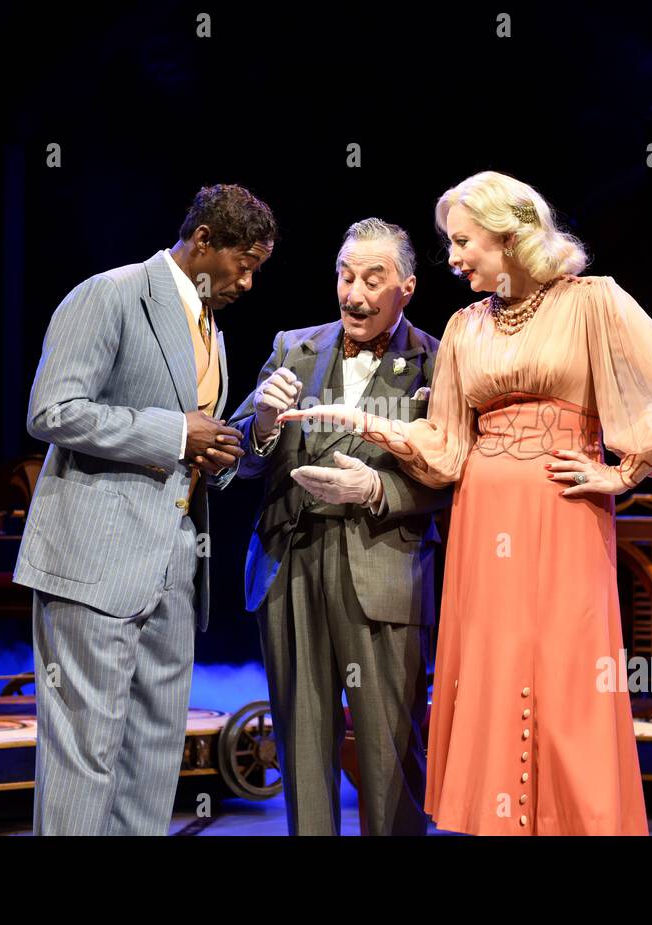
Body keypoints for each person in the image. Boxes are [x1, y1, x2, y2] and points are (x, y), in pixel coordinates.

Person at [278, 171, 652, 835]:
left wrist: (627, 470)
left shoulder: (591, 302)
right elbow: (449, 447)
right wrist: (367, 422)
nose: (451, 257)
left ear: (509, 235)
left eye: (462, 241)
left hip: (563, 513)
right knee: (494, 671)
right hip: (484, 521)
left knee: (567, 679)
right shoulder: (462, 327)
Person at [14, 184, 275, 834]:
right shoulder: (111, 293)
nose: (248, 280)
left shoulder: (213, 331)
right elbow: (52, 410)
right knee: (86, 751)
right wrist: (175, 434)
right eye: (244, 262)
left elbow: (193, 446)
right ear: (205, 242)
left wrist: (227, 447)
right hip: (94, 559)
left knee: (155, 754)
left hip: (176, 565)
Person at [227, 218, 450, 834]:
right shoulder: (290, 347)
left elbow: (456, 476)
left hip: (380, 565)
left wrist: (380, 488)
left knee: (388, 748)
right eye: (345, 276)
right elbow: (240, 458)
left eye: (372, 280)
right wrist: (264, 425)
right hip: (290, 564)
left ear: (406, 287)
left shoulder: (438, 362)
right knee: (302, 747)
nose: (354, 293)